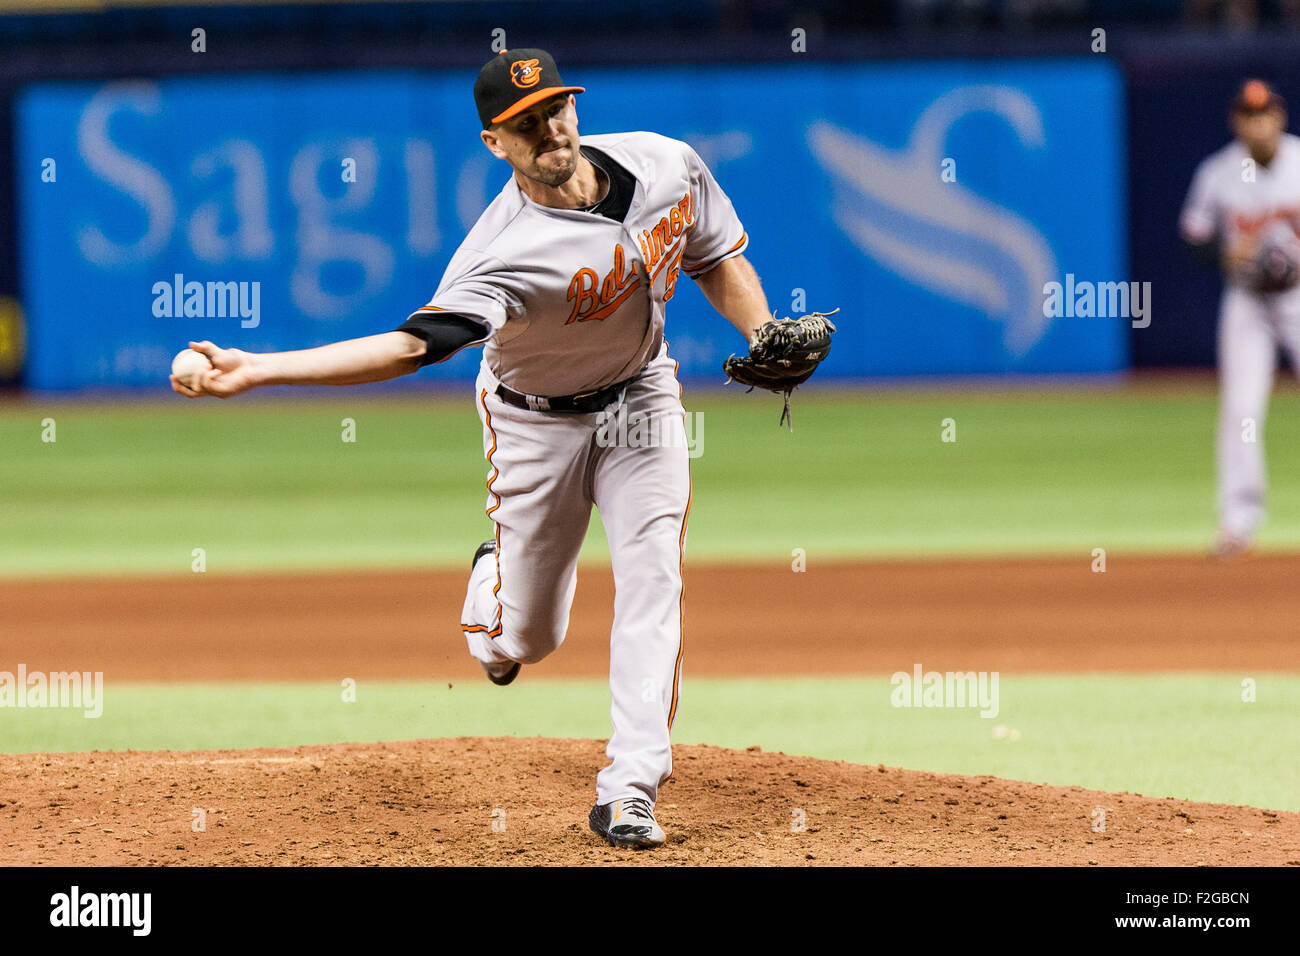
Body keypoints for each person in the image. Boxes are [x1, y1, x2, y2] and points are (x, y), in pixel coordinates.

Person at [171, 48, 776, 849]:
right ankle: (489, 590)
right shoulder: (503, 251)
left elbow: (715, 257)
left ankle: (630, 789)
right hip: (535, 424)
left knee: (652, 574)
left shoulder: (667, 165)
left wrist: (762, 331)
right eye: (524, 125)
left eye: (555, 109)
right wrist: (259, 371)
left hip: (642, 401)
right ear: (497, 144)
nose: (549, 130)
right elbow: (407, 348)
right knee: (528, 638)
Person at [1180, 78, 1300, 558]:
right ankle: (1238, 521)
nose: (1258, 122)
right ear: (1237, 121)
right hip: (1247, 302)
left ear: (1280, 117)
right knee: (1242, 410)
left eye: (1265, 113)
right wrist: (1223, 254)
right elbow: (1195, 234)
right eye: (1249, 115)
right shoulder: (1218, 172)